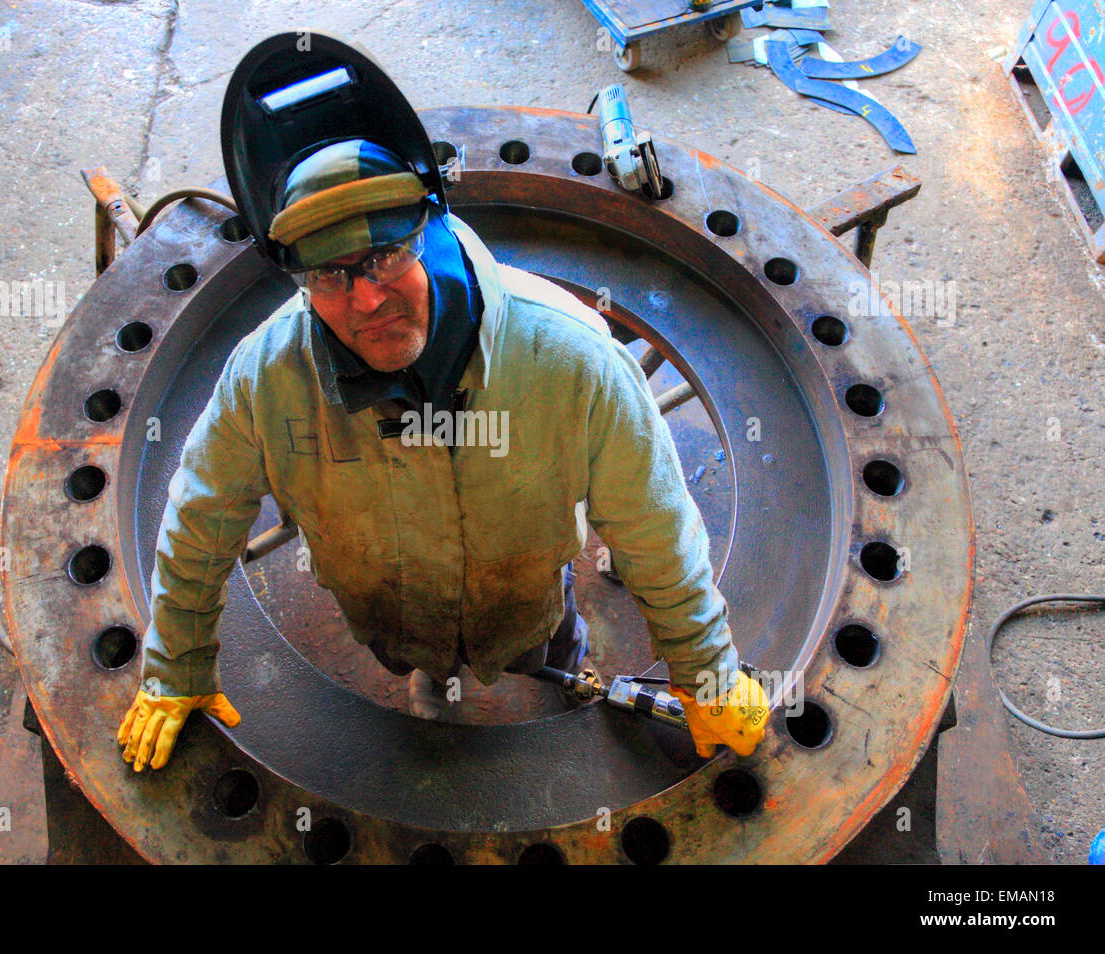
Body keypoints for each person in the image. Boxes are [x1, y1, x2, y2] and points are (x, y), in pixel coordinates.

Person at [117, 34, 769, 772]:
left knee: (550, 650)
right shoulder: (266, 380)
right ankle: (434, 689)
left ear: (429, 225)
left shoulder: (572, 359)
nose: (366, 298)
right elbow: (199, 521)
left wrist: (706, 672)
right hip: (389, 624)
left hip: (530, 609)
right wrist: (176, 667)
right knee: (423, 677)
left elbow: (655, 528)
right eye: (330, 276)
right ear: (296, 278)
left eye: (386, 254)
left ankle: (565, 676)